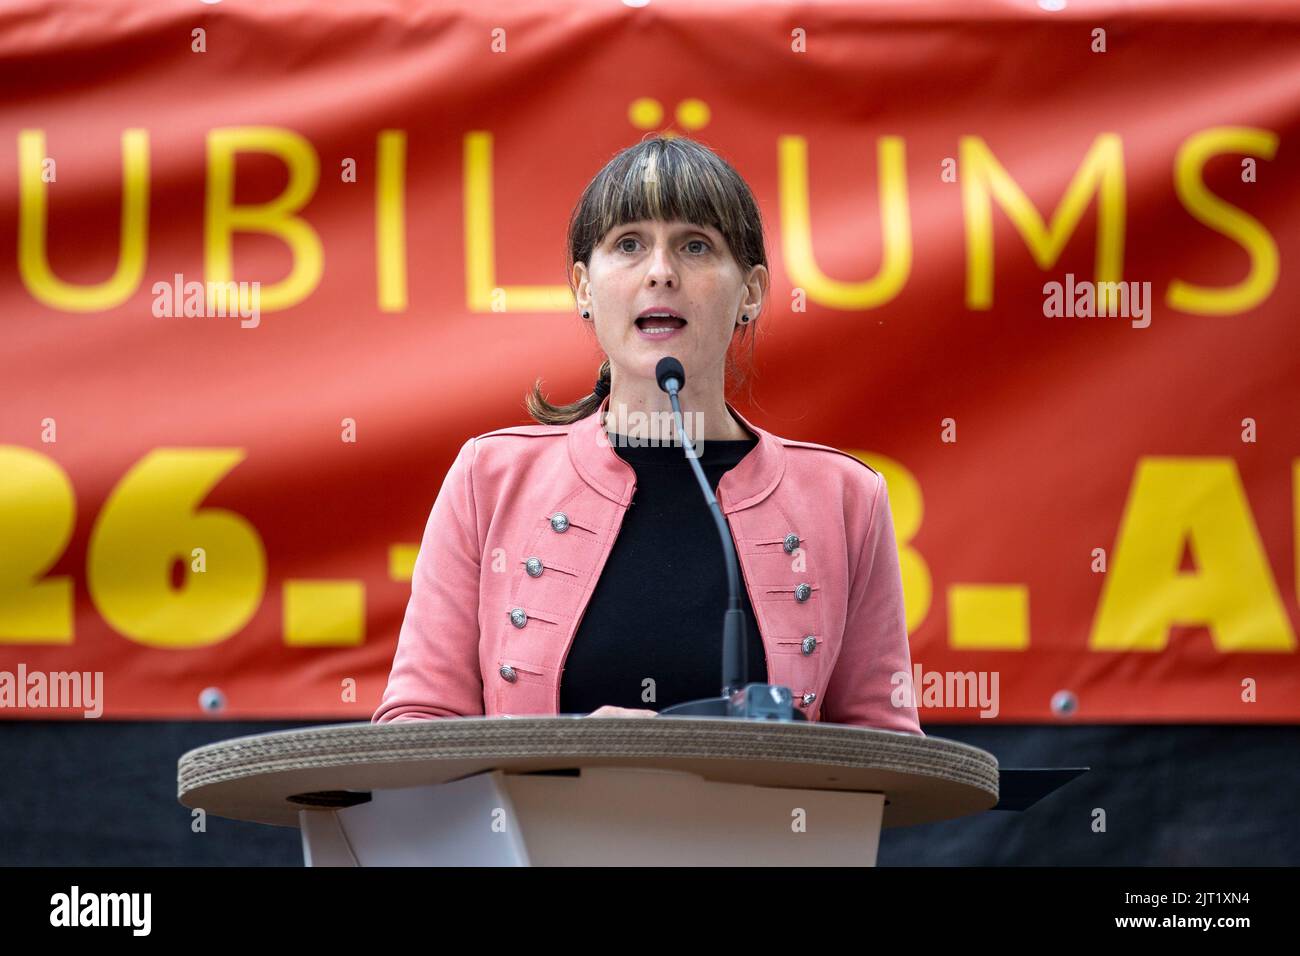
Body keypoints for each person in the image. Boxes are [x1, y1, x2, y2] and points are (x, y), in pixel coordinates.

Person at [373, 135, 921, 734]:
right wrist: (581, 753)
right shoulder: (489, 478)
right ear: (584, 288)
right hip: (543, 831)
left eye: (695, 246)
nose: (661, 272)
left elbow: (881, 756)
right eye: (629, 244)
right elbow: (416, 728)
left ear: (752, 292)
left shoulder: (846, 498)